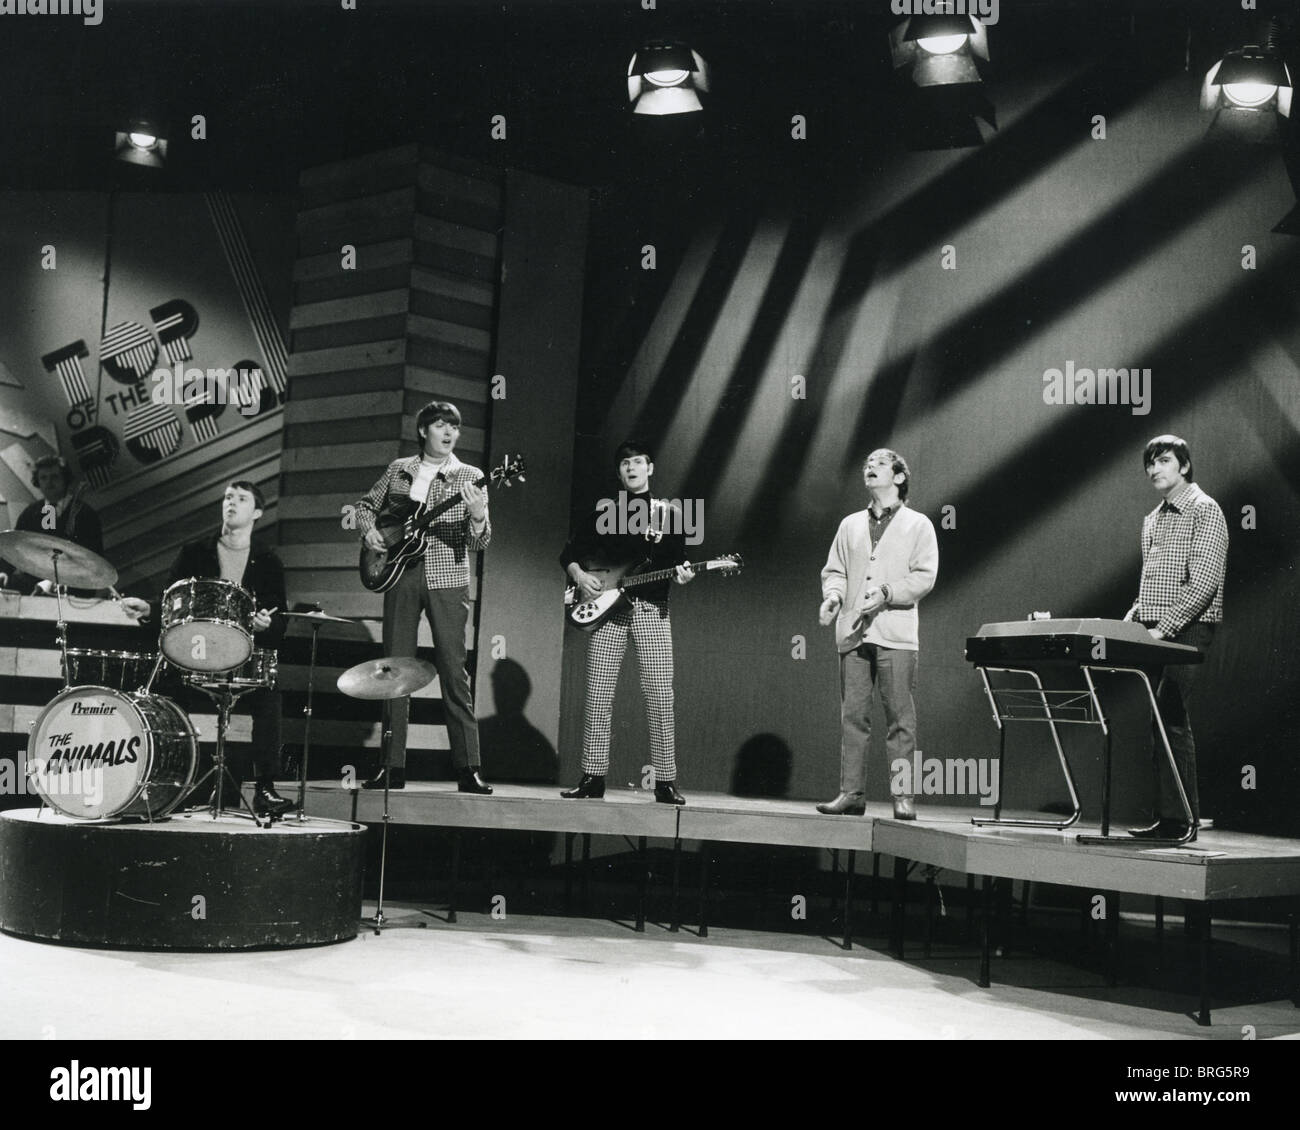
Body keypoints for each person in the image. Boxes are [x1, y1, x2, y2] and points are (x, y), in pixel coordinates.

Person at [123, 481, 292, 818]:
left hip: (241, 659)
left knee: (270, 693)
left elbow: (280, 618)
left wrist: (266, 624)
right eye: (228, 497)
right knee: (163, 692)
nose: (231, 503)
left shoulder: (268, 561)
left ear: (257, 512)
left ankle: (265, 789)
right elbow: (172, 600)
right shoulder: (194, 552)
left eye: (241, 499)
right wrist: (148, 609)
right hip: (195, 655)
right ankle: (162, 780)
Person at [355, 400, 492, 794]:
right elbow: (366, 507)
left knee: (453, 669)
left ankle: (469, 769)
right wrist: (369, 531)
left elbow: (479, 540)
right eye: (440, 425)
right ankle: (391, 766)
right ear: (423, 431)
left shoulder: (471, 475)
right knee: (393, 669)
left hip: (447, 578)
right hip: (400, 574)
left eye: (454, 427)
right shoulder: (399, 469)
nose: (449, 433)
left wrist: (478, 514)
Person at [559, 440, 694, 805]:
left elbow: (679, 561)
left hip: (650, 609)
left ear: (649, 468)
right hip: (608, 613)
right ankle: (592, 777)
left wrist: (682, 574)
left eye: (638, 462)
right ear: (619, 472)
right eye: (625, 464)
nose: (631, 468)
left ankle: (665, 781)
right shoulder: (606, 511)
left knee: (660, 696)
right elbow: (569, 553)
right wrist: (580, 577)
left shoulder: (670, 514)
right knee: (598, 695)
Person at [817, 449, 938, 819]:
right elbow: (834, 570)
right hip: (853, 633)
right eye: (867, 463)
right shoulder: (850, 524)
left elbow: (924, 576)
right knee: (853, 717)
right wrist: (834, 596)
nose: (869, 467)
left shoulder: (918, 525)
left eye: (880, 464)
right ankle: (850, 793)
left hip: (895, 635)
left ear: (899, 477)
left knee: (900, 718)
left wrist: (887, 593)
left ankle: (903, 797)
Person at [1124, 435, 1227, 843]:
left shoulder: (1205, 510)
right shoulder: (1153, 518)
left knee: (1170, 715)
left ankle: (1181, 820)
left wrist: (1163, 628)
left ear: (1184, 466)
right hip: (1152, 630)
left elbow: (1204, 582)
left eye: (1163, 460)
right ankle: (1171, 818)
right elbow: (1148, 586)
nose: (1154, 469)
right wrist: (1126, 625)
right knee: (1160, 720)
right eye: (1149, 463)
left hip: (1187, 626)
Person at [0, 455, 104, 593]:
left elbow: (94, 561)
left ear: (65, 479)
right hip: (33, 584)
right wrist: (3, 572)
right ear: (37, 481)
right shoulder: (31, 513)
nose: (49, 482)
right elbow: (14, 547)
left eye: (55, 477)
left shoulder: (85, 514)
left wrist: (54, 582)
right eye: (43, 478)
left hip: (73, 585)